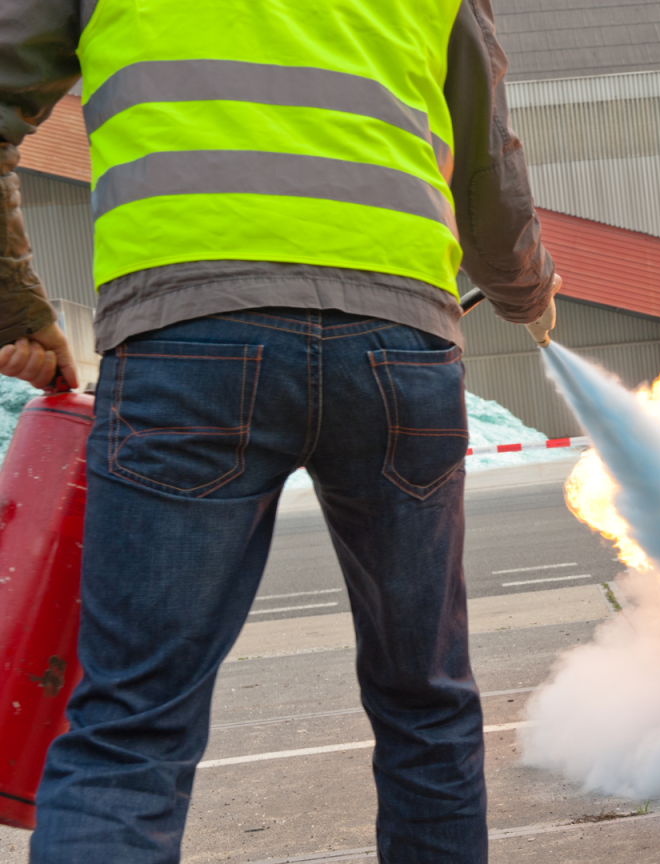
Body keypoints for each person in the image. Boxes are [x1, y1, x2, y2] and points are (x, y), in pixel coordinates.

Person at [0, 1, 561, 861]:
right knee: (427, 704)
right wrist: (526, 294)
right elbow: (486, 169)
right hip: (397, 347)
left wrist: (16, 305)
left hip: (188, 334)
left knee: (131, 725)